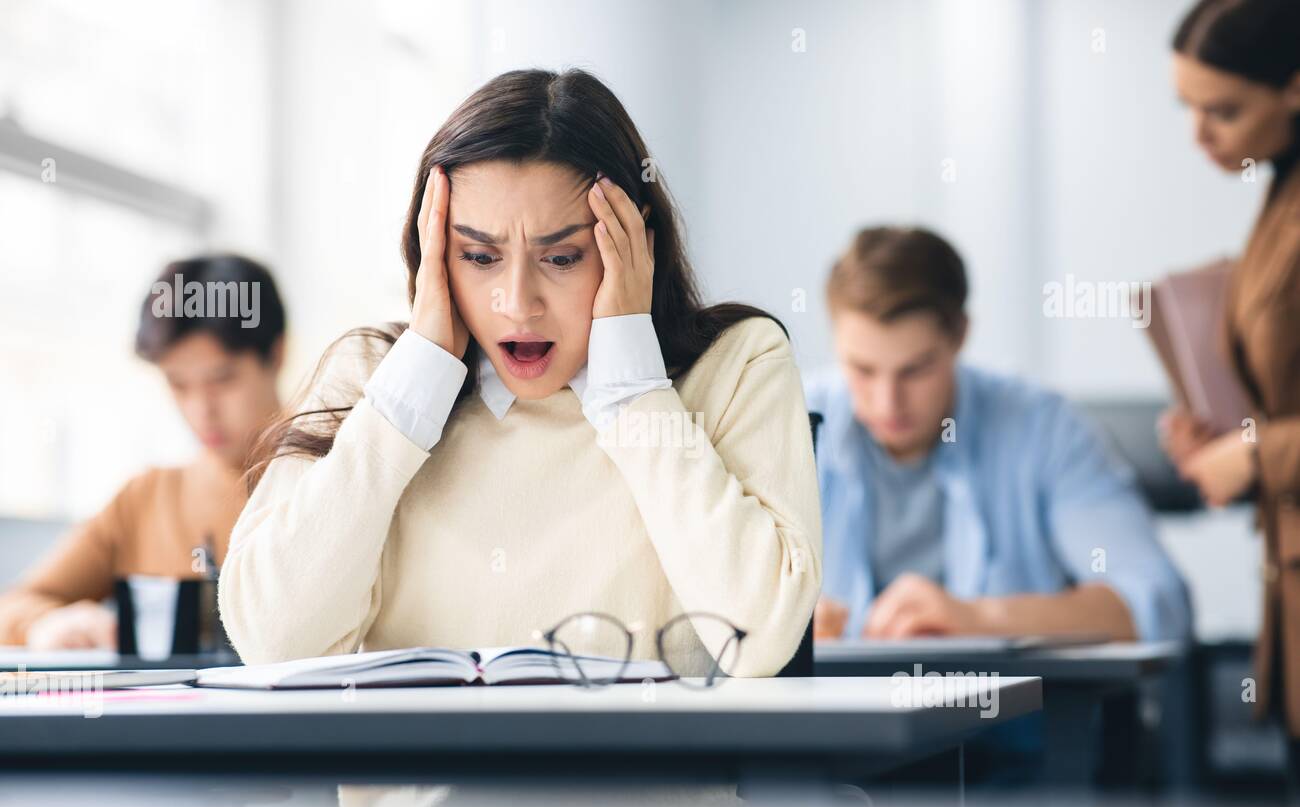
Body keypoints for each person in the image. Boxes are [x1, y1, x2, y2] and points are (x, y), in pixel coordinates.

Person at [219, 68, 822, 686]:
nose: (517, 302)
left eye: (561, 258)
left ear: (633, 244)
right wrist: (414, 389)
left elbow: (760, 638)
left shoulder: (737, 363)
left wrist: (632, 391)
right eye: (479, 257)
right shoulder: (374, 377)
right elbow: (272, 641)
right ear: (434, 255)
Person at [806, 226, 1191, 647]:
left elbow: (1159, 602)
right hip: (830, 712)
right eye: (862, 370)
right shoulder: (787, 422)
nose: (886, 403)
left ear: (960, 336)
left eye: (914, 369)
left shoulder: (1043, 427)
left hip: (1004, 713)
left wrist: (979, 618)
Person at [0, 255, 286, 649]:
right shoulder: (144, 500)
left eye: (222, 379)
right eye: (178, 385)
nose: (202, 410)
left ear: (278, 354)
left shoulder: (334, 476)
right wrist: (43, 625)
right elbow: (16, 606)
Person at [1159, 0, 1300, 747]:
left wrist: (1253, 454)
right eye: (1188, 107)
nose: (1200, 136)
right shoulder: (1280, 191)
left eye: (1224, 111)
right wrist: (1221, 436)